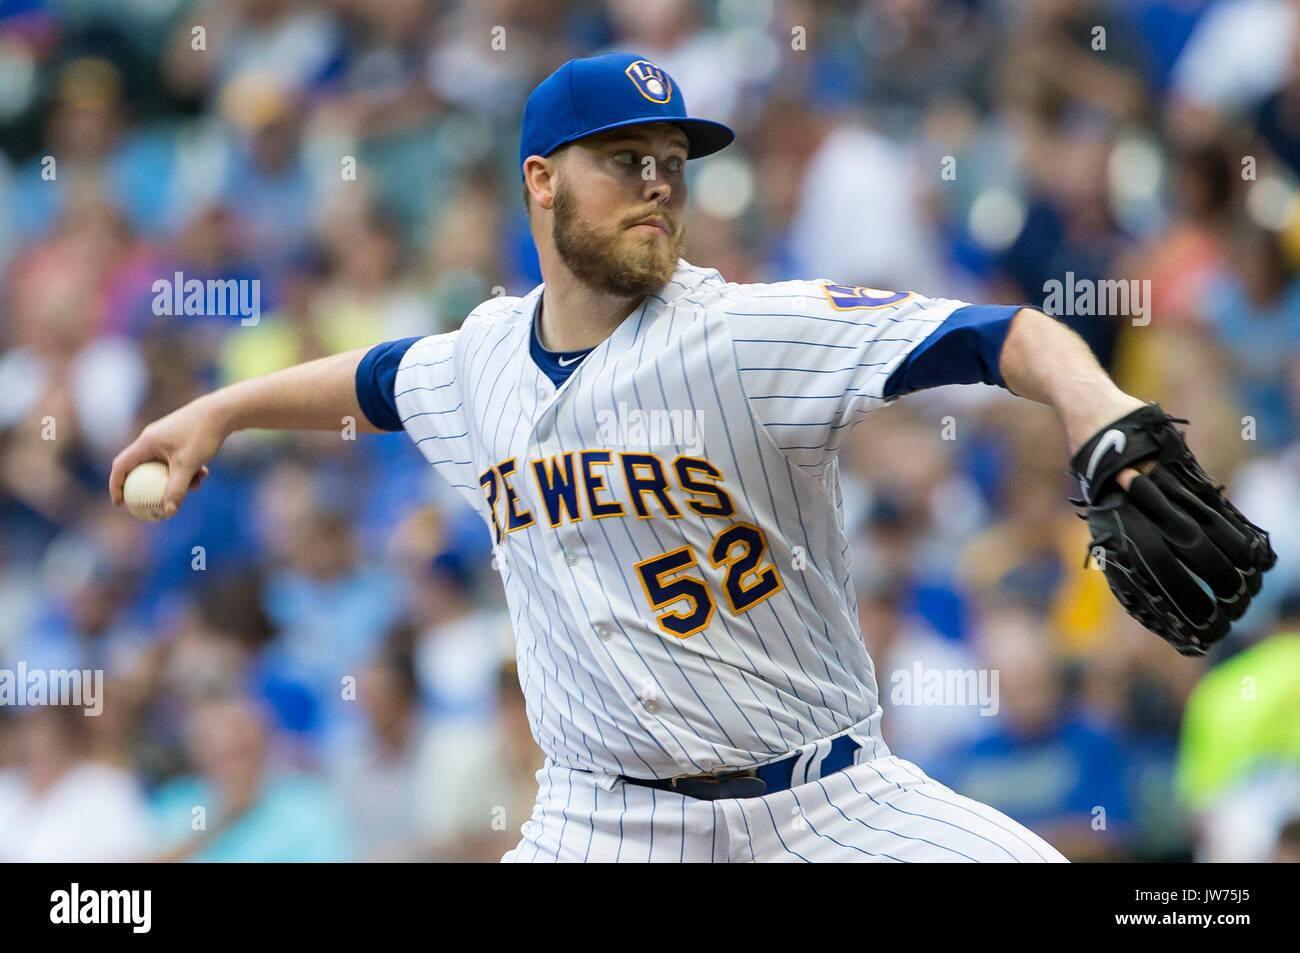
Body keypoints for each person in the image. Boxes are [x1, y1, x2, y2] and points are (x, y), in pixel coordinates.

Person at [111, 53, 1265, 862]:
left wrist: (1094, 401)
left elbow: (990, 333)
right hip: (601, 825)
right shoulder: (479, 362)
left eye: (674, 159)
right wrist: (218, 411)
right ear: (542, 182)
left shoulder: (748, 332)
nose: (660, 182)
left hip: (831, 803)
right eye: (624, 158)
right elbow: (372, 380)